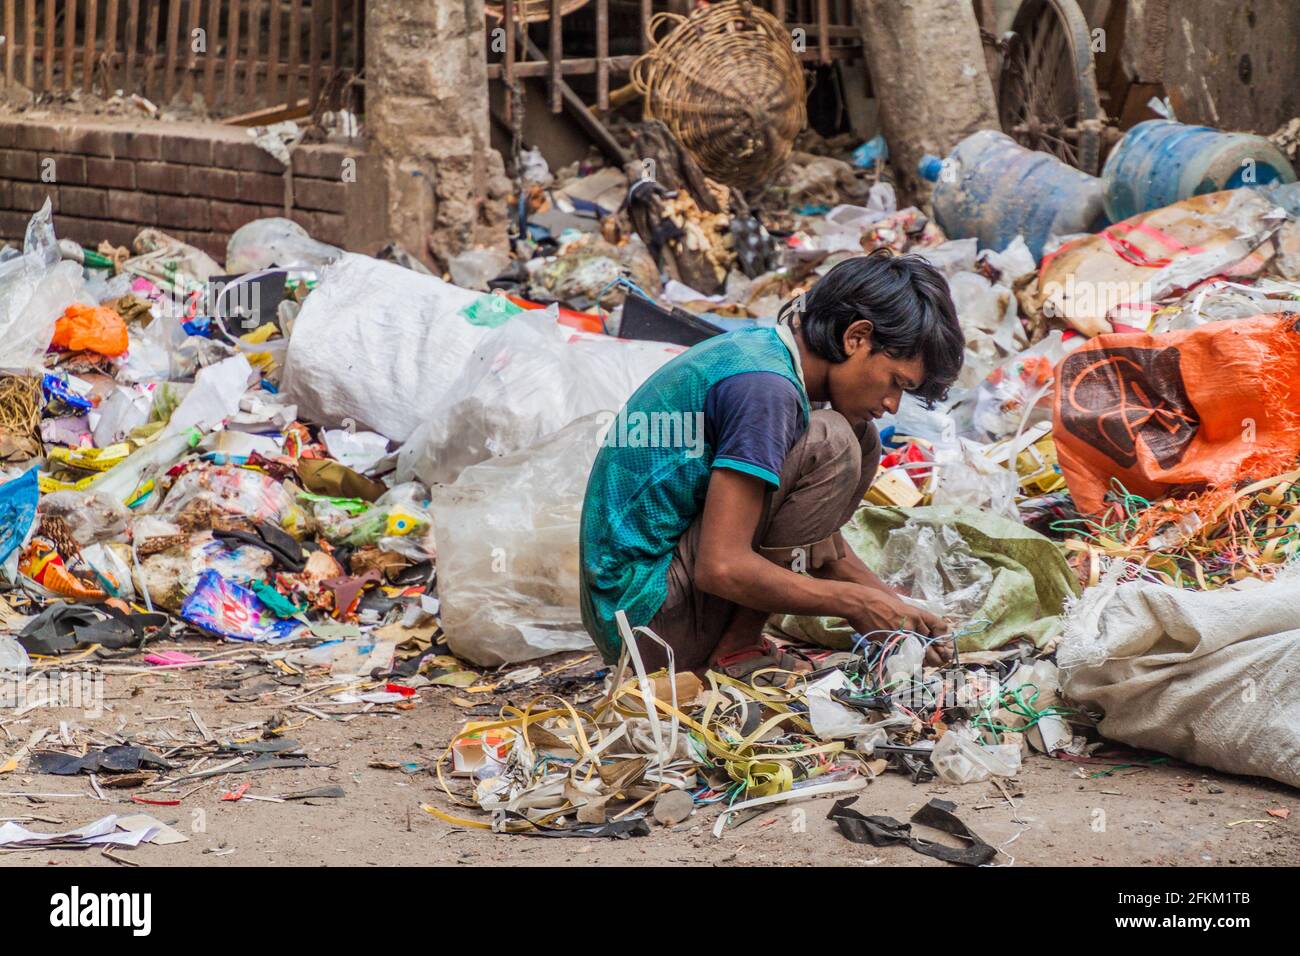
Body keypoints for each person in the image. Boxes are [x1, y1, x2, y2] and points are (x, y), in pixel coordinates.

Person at [579, 250, 965, 676]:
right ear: (857, 337)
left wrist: (897, 613)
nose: (892, 404)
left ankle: (734, 643)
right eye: (896, 382)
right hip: (645, 627)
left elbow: (823, 549)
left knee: (860, 436)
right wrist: (855, 604)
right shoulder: (766, 389)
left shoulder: (780, 365)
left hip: (658, 604)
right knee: (834, 439)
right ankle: (736, 652)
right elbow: (721, 567)